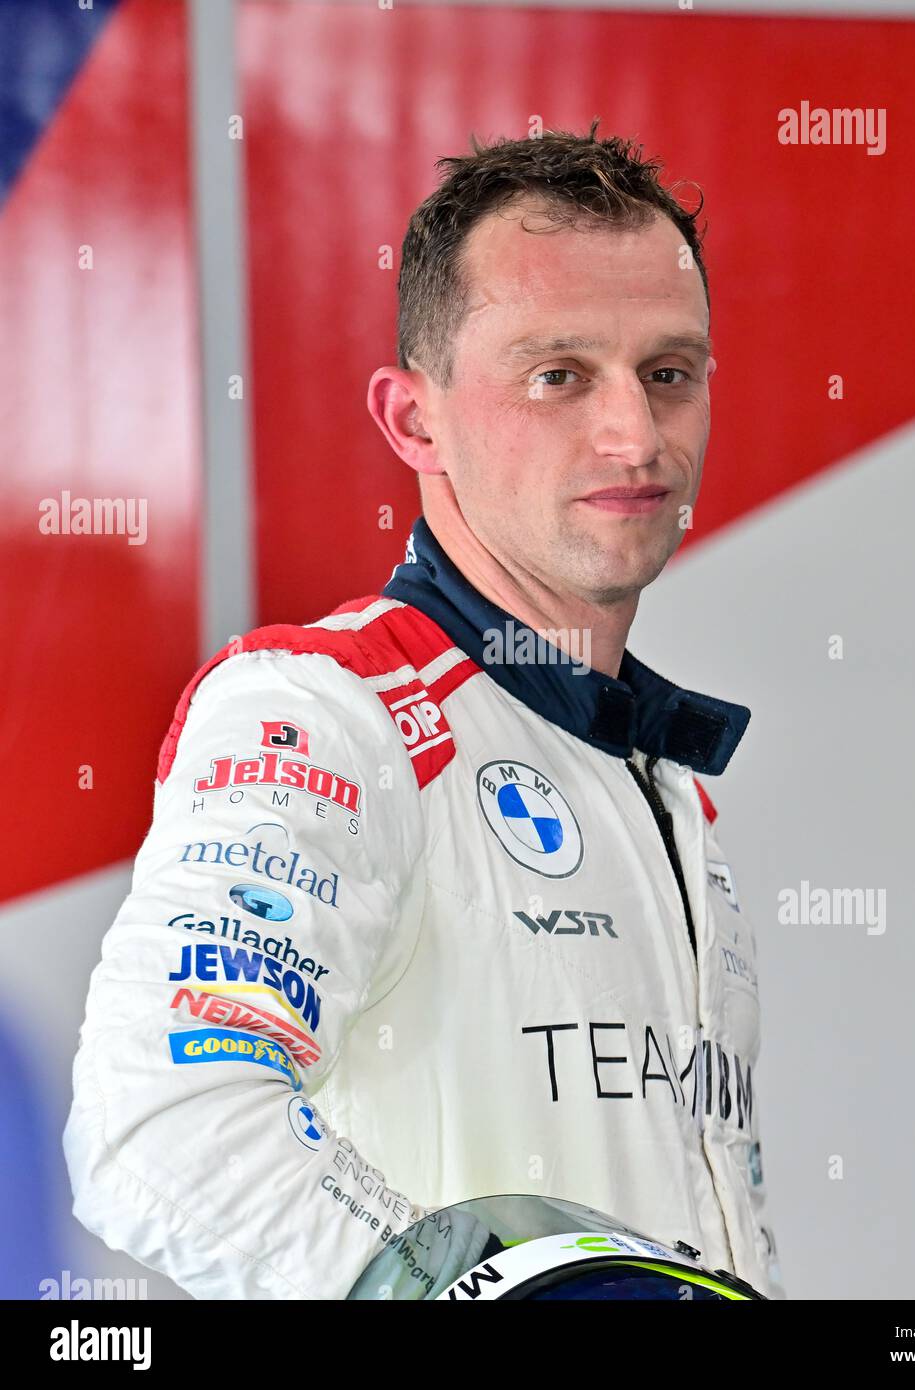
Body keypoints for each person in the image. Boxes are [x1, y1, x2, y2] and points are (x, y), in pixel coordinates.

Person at [64, 122, 784, 1300]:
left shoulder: (661, 786)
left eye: (669, 372)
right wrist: (503, 1292)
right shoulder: (324, 709)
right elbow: (160, 1121)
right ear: (414, 422)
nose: (636, 436)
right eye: (558, 375)